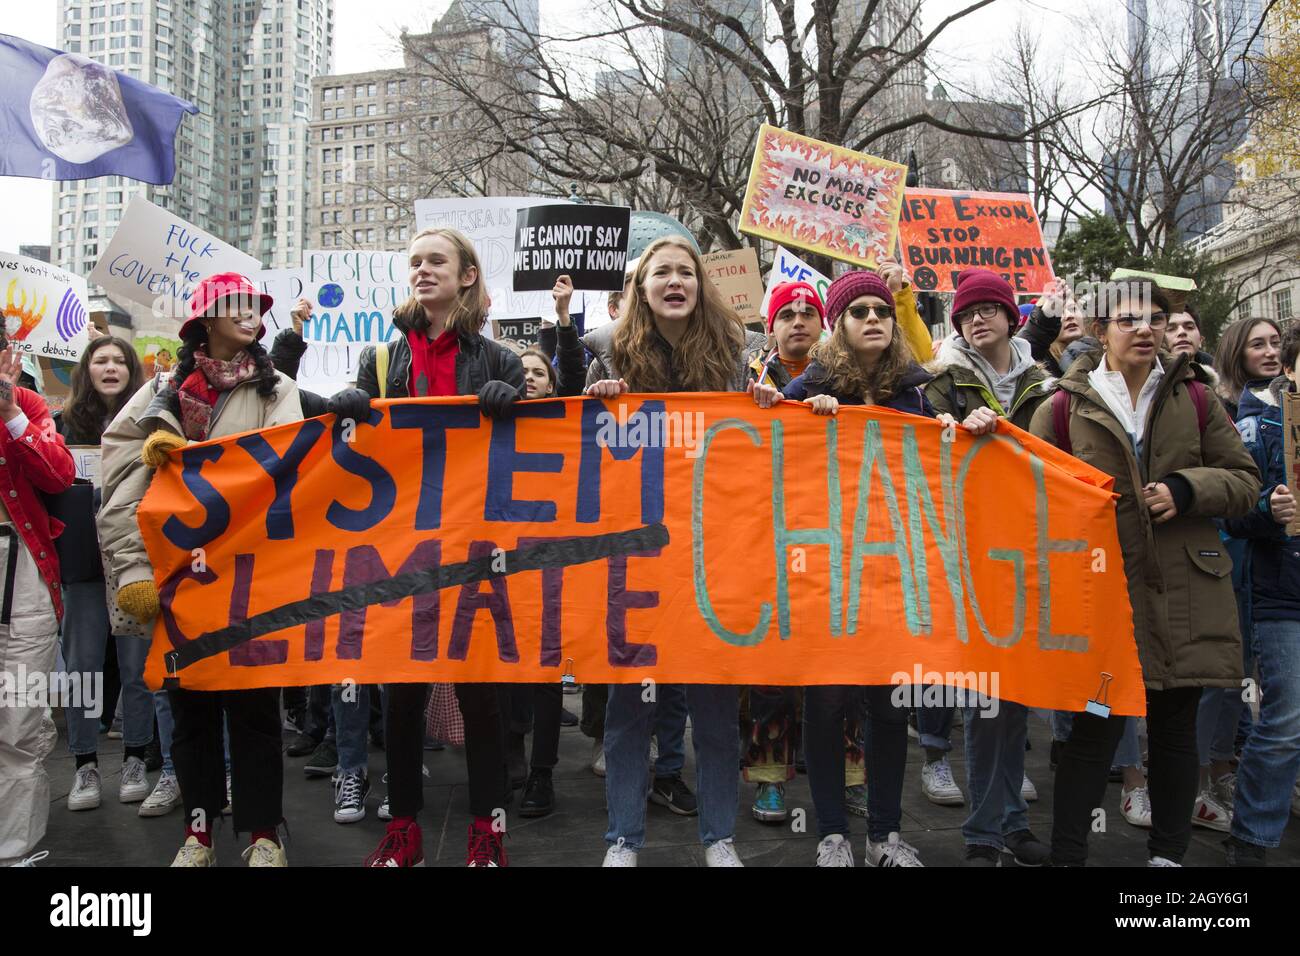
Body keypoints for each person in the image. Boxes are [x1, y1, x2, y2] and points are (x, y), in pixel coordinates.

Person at [99, 273, 327, 866]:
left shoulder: (277, 391)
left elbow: (291, 476)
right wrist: (133, 573)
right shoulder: (161, 391)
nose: (252, 315)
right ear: (205, 319)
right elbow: (122, 489)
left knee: (255, 715)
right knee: (190, 713)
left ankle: (262, 836)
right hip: (181, 580)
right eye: (238, 306)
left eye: (258, 307)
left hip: (250, 577)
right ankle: (197, 834)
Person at [1029, 280, 1259, 867]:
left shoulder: (1197, 397)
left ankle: (1167, 860)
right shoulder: (1062, 405)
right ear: (1101, 330)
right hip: (1100, 592)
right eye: (1128, 319)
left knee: (1177, 731)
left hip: (1183, 590)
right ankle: (1068, 857)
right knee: (1093, 733)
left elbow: (1244, 480)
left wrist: (1187, 488)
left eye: (1155, 318)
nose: (1144, 329)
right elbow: (1029, 492)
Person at [752, 269, 944, 868]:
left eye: (881, 311)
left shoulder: (917, 394)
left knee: (889, 709)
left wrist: (968, 434)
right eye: (858, 310)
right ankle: (832, 834)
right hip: (825, 576)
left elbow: (942, 464)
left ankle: (885, 836)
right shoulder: (809, 385)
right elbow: (764, 454)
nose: (872, 320)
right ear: (839, 324)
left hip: (891, 572)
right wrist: (789, 411)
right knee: (829, 701)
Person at [584, 234, 765, 867]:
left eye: (685, 271)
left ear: (700, 285)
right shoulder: (605, 356)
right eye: (661, 272)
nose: (674, 281)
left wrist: (765, 409)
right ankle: (622, 840)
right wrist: (598, 406)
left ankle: (718, 837)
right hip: (634, 558)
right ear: (642, 288)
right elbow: (586, 458)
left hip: (712, 555)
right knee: (630, 708)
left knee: (715, 709)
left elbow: (748, 448)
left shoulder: (733, 355)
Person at [353, 227, 524, 867]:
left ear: (467, 276)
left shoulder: (500, 360)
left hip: (478, 543)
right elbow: (351, 436)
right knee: (403, 695)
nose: (423, 271)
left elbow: (546, 428)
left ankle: (486, 833)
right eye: (415, 262)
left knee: (482, 695)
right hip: (403, 547)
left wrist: (522, 400)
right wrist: (348, 409)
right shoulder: (381, 359)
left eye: (437, 261)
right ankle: (403, 833)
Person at [923, 267, 1053, 866]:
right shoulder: (940, 385)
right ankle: (982, 833)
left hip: (1029, 551)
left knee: (1016, 694)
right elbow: (924, 454)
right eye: (967, 312)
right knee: (983, 698)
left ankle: (1012, 821)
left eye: (989, 309)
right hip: (969, 553)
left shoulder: (1047, 387)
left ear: (1012, 316)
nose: (978, 318)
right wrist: (954, 434)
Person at [56, 337, 158, 814]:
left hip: (133, 562)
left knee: (138, 669)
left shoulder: (151, 420)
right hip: (80, 565)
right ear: (87, 369)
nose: (111, 367)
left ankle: (136, 758)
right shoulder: (59, 425)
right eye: (101, 360)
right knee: (82, 671)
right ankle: (85, 765)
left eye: (120, 360)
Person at [1220, 323, 1300, 865]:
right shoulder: (1259, 422)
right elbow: (1233, 511)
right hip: (1283, 592)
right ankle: (1251, 840)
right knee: (1285, 720)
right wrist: (1270, 514)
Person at [512, 274, 588, 819]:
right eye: (521, 373)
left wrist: (562, 319)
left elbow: (576, 369)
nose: (530, 379)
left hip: (552, 565)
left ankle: (541, 774)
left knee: (541, 676)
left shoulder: (568, 420)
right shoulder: (486, 424)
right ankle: (508, 765)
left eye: (540, 372)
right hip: (497, 565)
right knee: (500, 676)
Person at [0, 340, 75, 868]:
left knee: (20, 719)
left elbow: (59, 474)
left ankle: (12, 852)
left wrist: (9, 415)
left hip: (20, 572)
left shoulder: (26, 404)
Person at [1214, 316, 1283, 420]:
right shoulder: (1217, 408)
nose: (1271, 352)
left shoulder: (1294, 394)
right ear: (1235, 353)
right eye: (1258, 345)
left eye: (1275, 343)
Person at [1016, 279, 1088, 378]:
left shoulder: (1100, 354)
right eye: (1060, 312)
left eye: (1073, 309)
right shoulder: (1037, 361)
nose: (1069, 315)